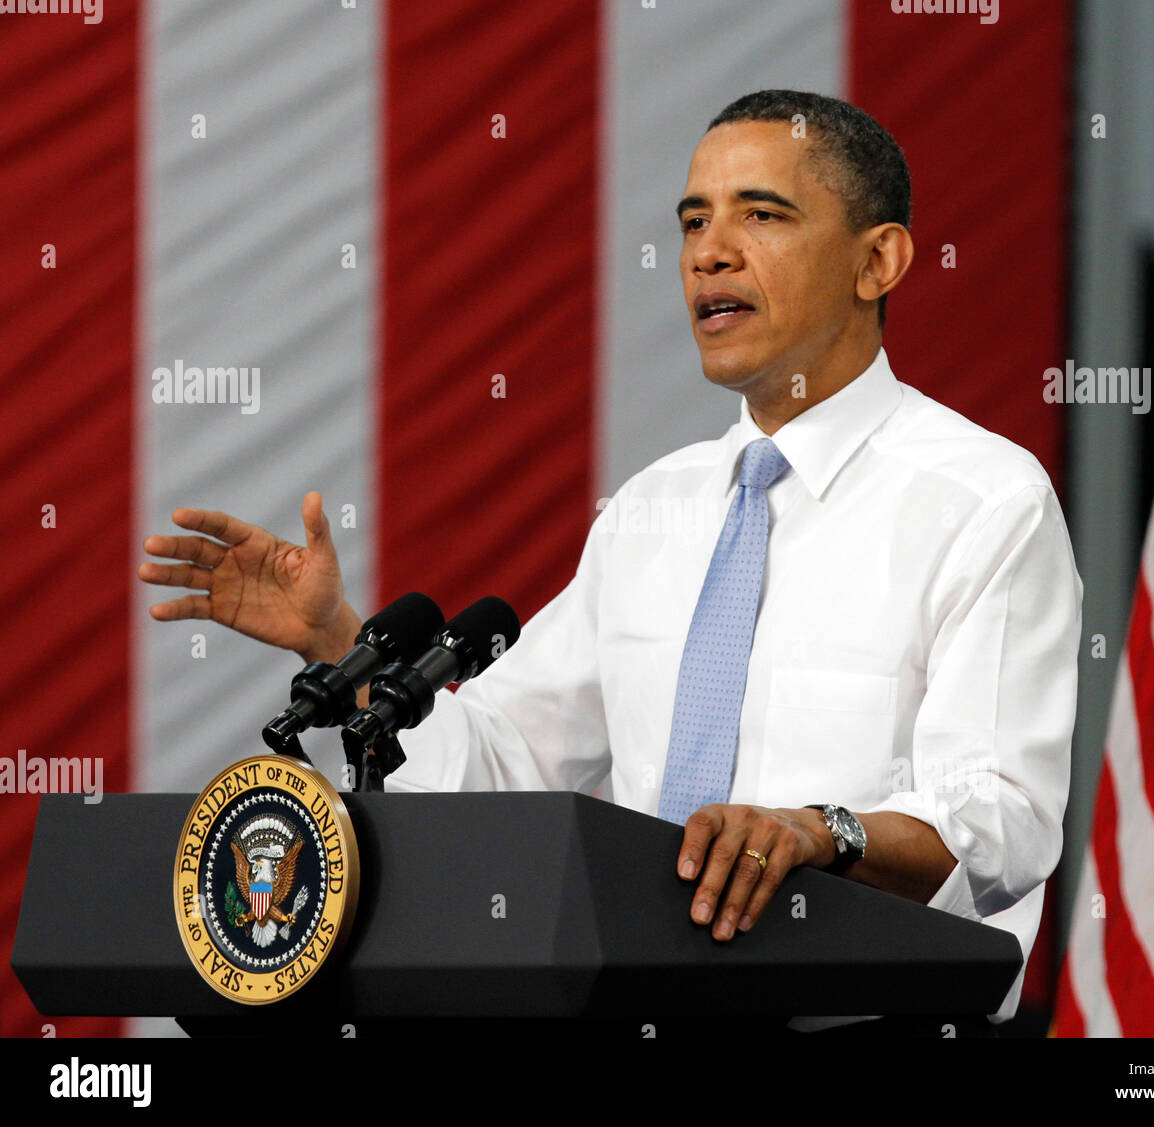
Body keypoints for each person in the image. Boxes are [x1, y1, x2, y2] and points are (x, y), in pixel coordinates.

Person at [139, 89, 1082, 1038]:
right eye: (692, 221)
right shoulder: (652, 511)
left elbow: (1001, 817)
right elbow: (502, 766)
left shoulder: (984, 500)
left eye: (761, 213)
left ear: (878, 261)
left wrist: (819, 832)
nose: (709, 251)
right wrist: (339, 645)